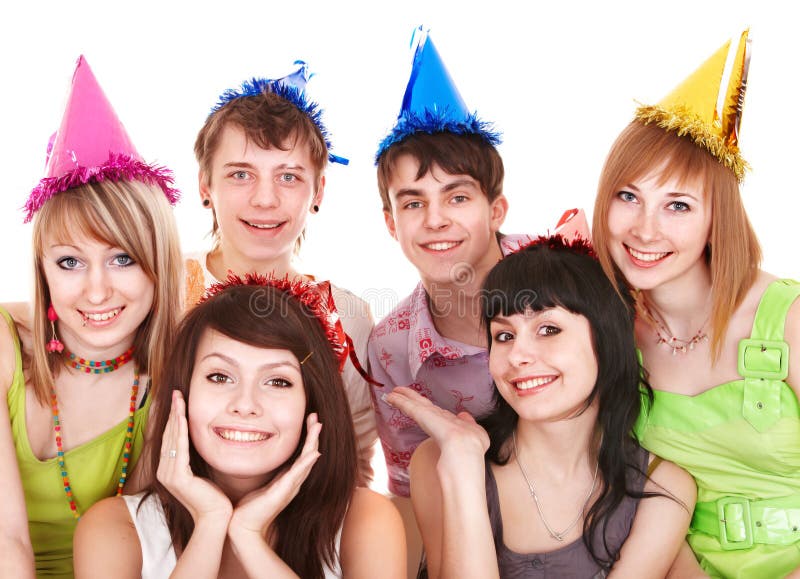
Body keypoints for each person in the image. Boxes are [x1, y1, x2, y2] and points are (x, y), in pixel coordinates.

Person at [592, 30, 800, 578]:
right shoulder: (611, 334)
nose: (645, 229)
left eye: (678, 205)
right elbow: (634, 500)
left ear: (716, 218)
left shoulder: (789, 318)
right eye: (628, 196)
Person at [386, 235, 695, 578]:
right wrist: (463, 469)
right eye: (504, 336)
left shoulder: (661, 488)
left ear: (608, 341)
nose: (517, 356)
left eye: (548, 329)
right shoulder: (439, 459)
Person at [74, 275, 406, 579]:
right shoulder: (115, 529)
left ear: (313, 403)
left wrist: (249, 538)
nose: (245, 404)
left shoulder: (364, 521)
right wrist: (210, 522)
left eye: (278, 381)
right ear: (183, 393)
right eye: (220, 377)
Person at [0, 55, 182, 578]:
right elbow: (8, 539)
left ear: (158, 266)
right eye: (70, 262)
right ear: (43, 271)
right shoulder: (5, 345)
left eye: (122, 258)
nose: (97, 291)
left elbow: (139, 550)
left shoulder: (170, 381)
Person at [186, 62, 378, 484]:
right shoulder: (161, 287)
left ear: (318, 191)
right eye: (240, 174)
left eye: (288, 177)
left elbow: (354, 464)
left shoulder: (348, 318)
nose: (265, 199)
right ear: (205, 186)